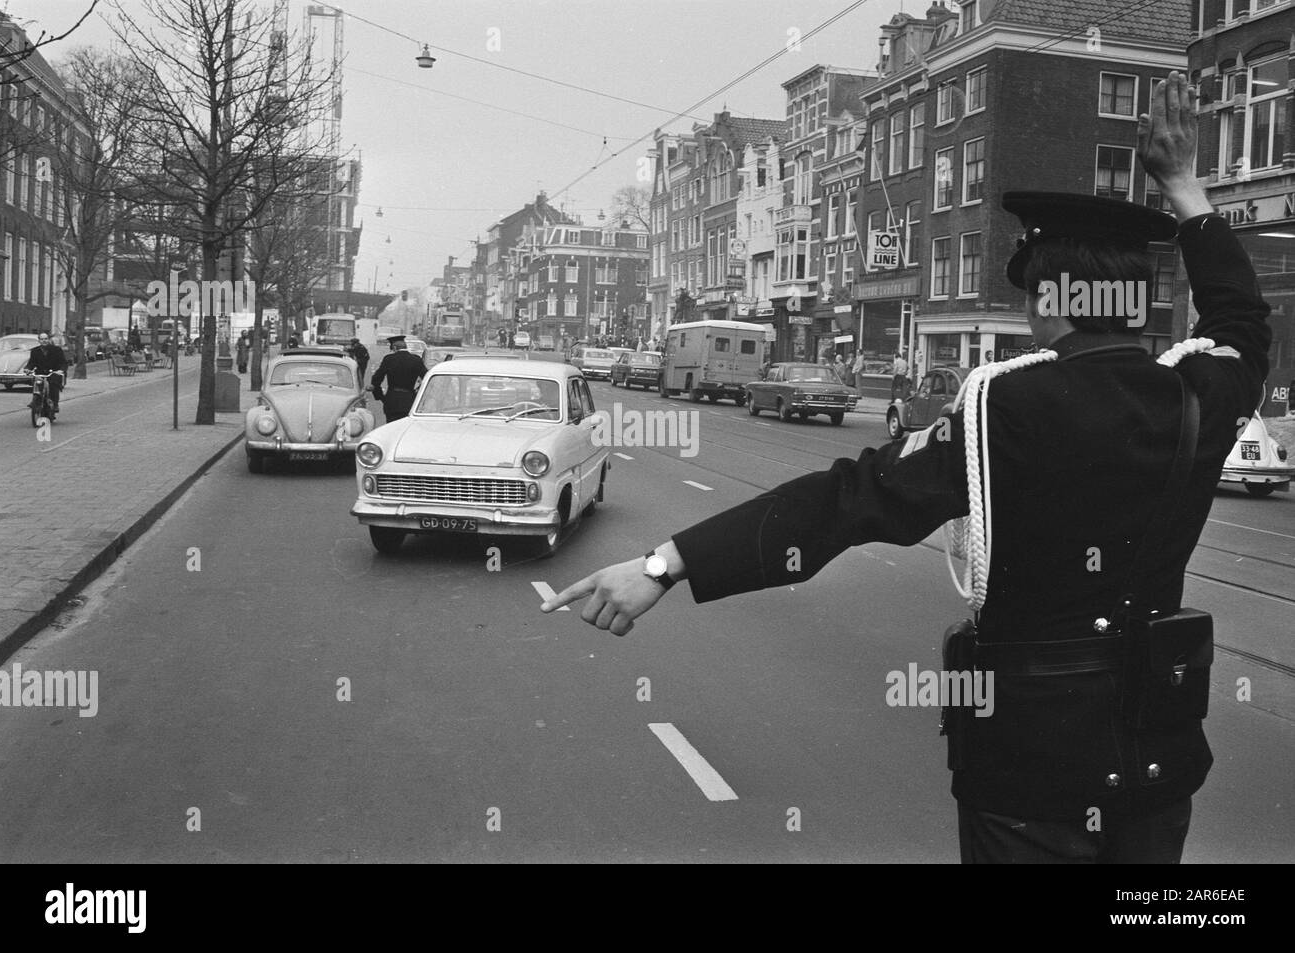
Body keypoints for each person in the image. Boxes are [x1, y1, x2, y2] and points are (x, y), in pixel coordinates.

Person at [542, 75, 1270, 863]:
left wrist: (665, 562)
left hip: (1030, 775)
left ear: (1053, 302)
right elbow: (1240, 317)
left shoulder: (1006, 409)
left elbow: (847, 502)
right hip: (1157, 765)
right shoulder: (1201, 394)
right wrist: (1186, 187)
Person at [370, 334, 429, 422]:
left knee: (391, 429)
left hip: (392, 401)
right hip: (409, 401)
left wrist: (381, 397)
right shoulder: (416, 360)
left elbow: (376, 380)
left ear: (394, 347)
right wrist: (417, 392)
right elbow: (427, 378)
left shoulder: (389, 359)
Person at [26, 331, 69, 416]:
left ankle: (55, 404)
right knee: (37, 383)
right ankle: (36, 400)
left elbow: (63, 362)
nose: (44, 341)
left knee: (53, 385)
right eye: (42, 339)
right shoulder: (35, 351)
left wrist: (61, 370)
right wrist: (27, 369)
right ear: (39, 340)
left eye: (45, 339)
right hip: (40, 373)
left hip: (53, 373)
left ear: (49, 339)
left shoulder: (56, 350)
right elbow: (31, 363)